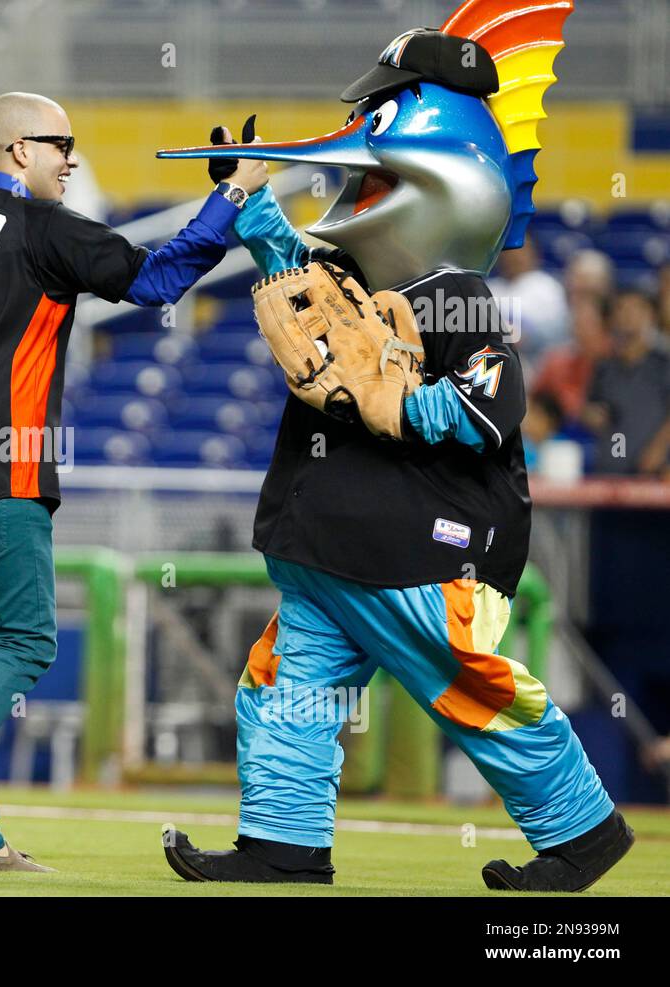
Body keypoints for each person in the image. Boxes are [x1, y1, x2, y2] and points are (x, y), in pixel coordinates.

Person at [155, 26, 630, 892]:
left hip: (419, 549)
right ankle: (282, 845)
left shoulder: (454, 296)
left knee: (474, 690)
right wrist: (250, 199)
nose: (352, 182)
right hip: (330, 548)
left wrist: (394, 400)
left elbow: (490, 406)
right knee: (285, 690)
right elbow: (293, 266)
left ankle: (584, 832)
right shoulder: (356, 280)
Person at [0, 91, 267, 872]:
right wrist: (232, 196)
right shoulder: (41, 226)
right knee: (28, 638)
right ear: (17, 150)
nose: (73, 158)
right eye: (62, 143)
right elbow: (156, 280)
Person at [583, 290, 670, 476]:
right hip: (611, 470)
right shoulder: (603, 367)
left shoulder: (664, 364)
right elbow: (590, 407)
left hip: (654, 473)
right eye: (622, 308)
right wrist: (591, 415)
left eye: (637, 308)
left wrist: (659, 449)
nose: (629, 315)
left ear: (652, 316)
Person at [488, 235, 569, 371]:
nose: (513, 256)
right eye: (508, 250)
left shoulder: (548, 287)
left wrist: (528, 335)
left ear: (534, 253)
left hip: (537, 365)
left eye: (520, 250)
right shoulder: (489, 288)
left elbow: (560, 334)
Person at [532, 294, 610, 422]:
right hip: (560, 436)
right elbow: (532, 403)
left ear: (605, 325)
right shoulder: (556, 362)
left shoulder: (619, 362)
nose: (578, 329)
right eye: (576, 321)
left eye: (587, 322)